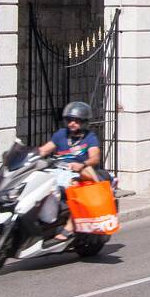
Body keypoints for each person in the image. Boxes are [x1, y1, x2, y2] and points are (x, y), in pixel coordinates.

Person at [38, 100, 102, 245]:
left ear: (84, 122)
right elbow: (44, 150)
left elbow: (94, 157)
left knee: (77, 189)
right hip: (58, 171)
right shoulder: (61, 134)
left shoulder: (90, 138)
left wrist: (81, 164)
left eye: (77, 120)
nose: (72, 123)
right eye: (69, 120)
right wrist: (27, 155)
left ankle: (69, 227)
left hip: (80, 173)